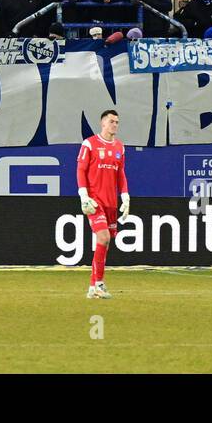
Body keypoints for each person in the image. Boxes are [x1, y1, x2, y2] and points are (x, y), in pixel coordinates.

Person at [77, 108, 129, 300]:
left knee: (105, 243)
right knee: (104, 238)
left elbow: (121, 174)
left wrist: (125, 196)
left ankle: (92, 287)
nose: (115, 124)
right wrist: (83, 195)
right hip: (94, 201)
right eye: (111, 121)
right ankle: (99, 283)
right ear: (103, 123)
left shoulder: (120, 147)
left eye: (117, 122)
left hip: (111, 202)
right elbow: (81, 170)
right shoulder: (89, 144)